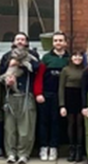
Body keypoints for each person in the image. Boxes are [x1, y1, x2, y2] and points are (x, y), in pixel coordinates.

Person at [2, 32, 41, 164]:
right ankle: (11, 154)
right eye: (17, 39)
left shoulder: (33, 55)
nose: (20, 41)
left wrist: (21, 63)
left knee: (26, 128)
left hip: (26, 94)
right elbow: (2, 71)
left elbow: (36, 68)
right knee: (10, 128)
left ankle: (24, 154)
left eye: (22, 39)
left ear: (26, 42)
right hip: (11, 95)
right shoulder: (7, 56)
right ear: (13, 42)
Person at [36, 32, 71, 161]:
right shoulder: (46, 58)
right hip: (46, 95)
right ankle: (44, 147)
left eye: (61, 40)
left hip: (61, 96)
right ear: (52, 43)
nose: (58, 43)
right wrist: (39, 93)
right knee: (44, 122)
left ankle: (54, 147)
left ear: (65, 43)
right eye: (56, 40)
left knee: (57, 122)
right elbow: (39, 77)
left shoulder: (69, 59)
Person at [60, 50, 87, 162]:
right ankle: (71, 149)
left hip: (80, 97)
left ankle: (79, 150)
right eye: (75, 56)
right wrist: (62, 105)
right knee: (71, 123)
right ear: (71, 58)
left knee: (80, 124)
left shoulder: (85, 70)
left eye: (80, 56)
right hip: (69, 97)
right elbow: (61, 88)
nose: (77, 58)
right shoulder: (65, 70)